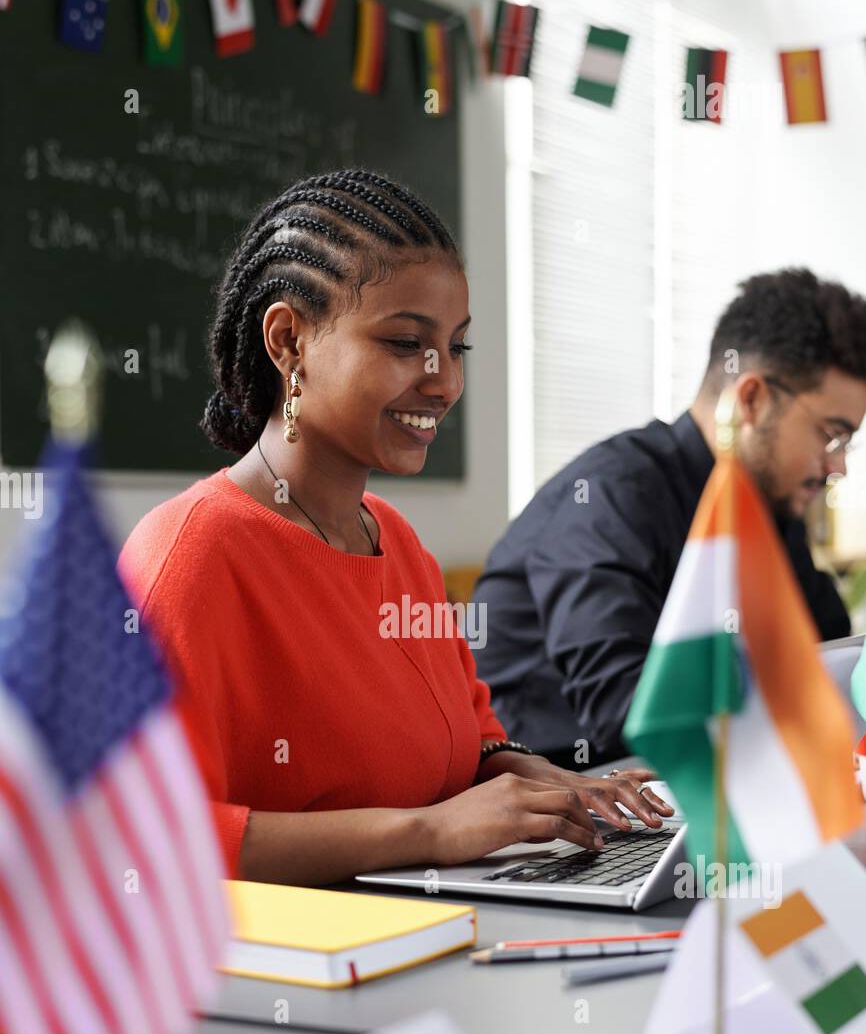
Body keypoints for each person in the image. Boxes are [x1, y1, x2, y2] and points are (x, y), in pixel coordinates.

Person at [118, 169, 673, 886]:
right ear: (288, 341)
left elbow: (464, 748)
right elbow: (147, 844)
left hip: (444, 930)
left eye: (457, 347)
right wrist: (427, 833)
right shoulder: (190, 554)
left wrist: (538, 779)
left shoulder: (395, 541)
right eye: (406, 344)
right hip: (292, 975)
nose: (444, 381)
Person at [473, 268, 866, 768]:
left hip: (679, 790)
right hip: (567, 797)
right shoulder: (611, 494)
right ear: (752, 400)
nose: (839, 465)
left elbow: (829, 655)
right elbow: (627, 710)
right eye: (831, 435)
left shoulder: (768, 507)